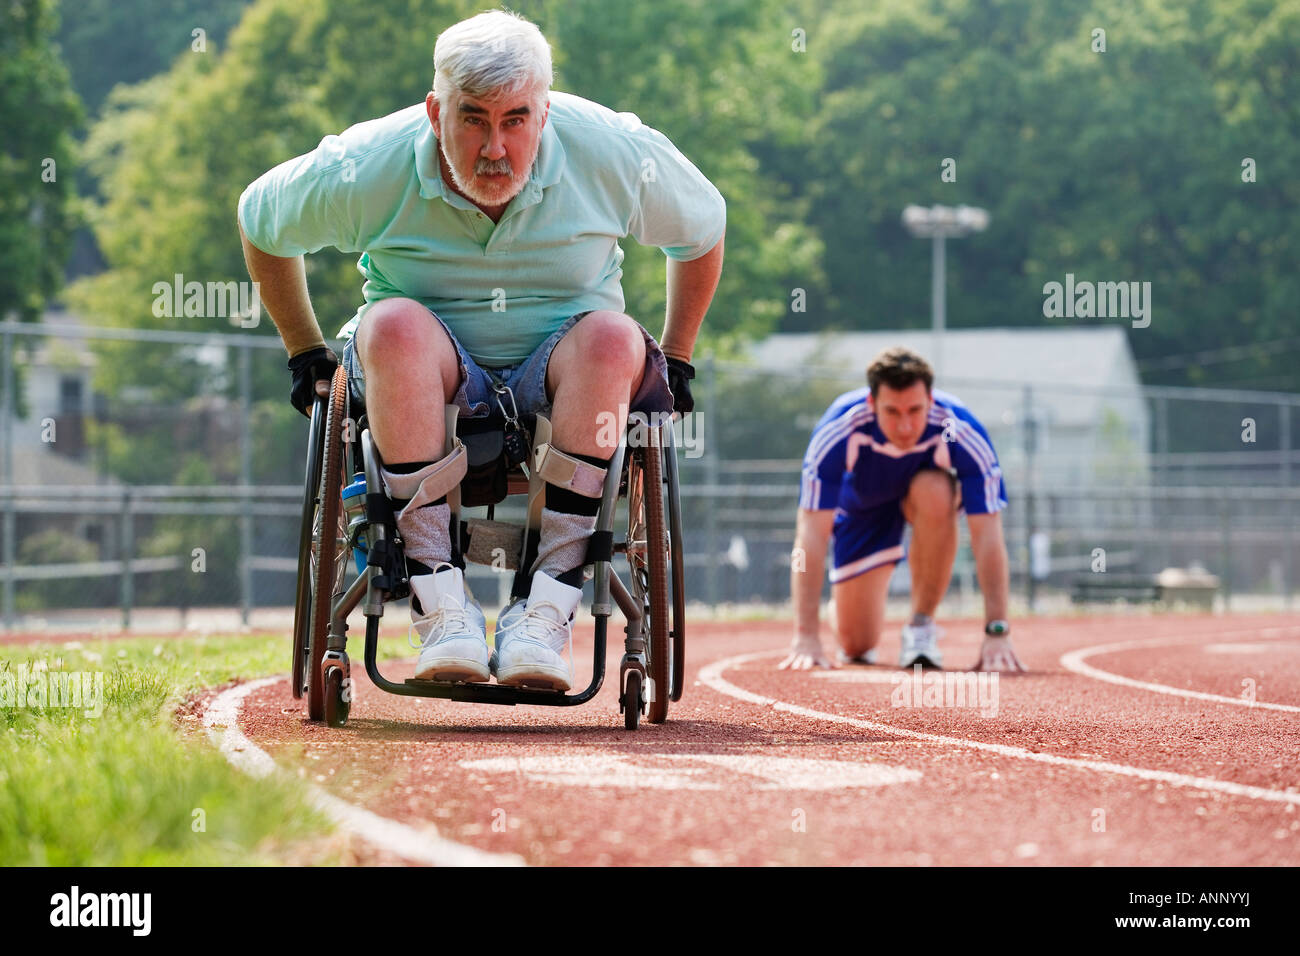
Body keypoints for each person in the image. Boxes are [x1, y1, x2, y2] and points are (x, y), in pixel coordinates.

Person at [239, 10, 724, 691]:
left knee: (616, 336)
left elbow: (703, 229)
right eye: (472, 120)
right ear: (436, 112)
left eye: (515, 120)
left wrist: (676, 356)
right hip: (427, 367)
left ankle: (546, 611)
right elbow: (260, 220)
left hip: (569, 367)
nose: (494, 148)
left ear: (545, 115)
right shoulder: (366, 166)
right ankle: (441, 605)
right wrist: (304, 351)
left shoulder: (611, 150)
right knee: (393, 325)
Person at [780, 347, 1025, 672]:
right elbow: (810, 535)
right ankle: (844, 605)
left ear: (931, 401)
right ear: (872, 404)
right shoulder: (839, 429)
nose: (906, 426)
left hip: (926, 501)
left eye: (915, 410)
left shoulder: (959, 431)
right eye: (892, 412)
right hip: (863, 513)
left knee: (937, 490)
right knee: (856, 645)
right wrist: (805, 635)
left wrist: (997, 629)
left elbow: (987, 535)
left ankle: (921, 627)